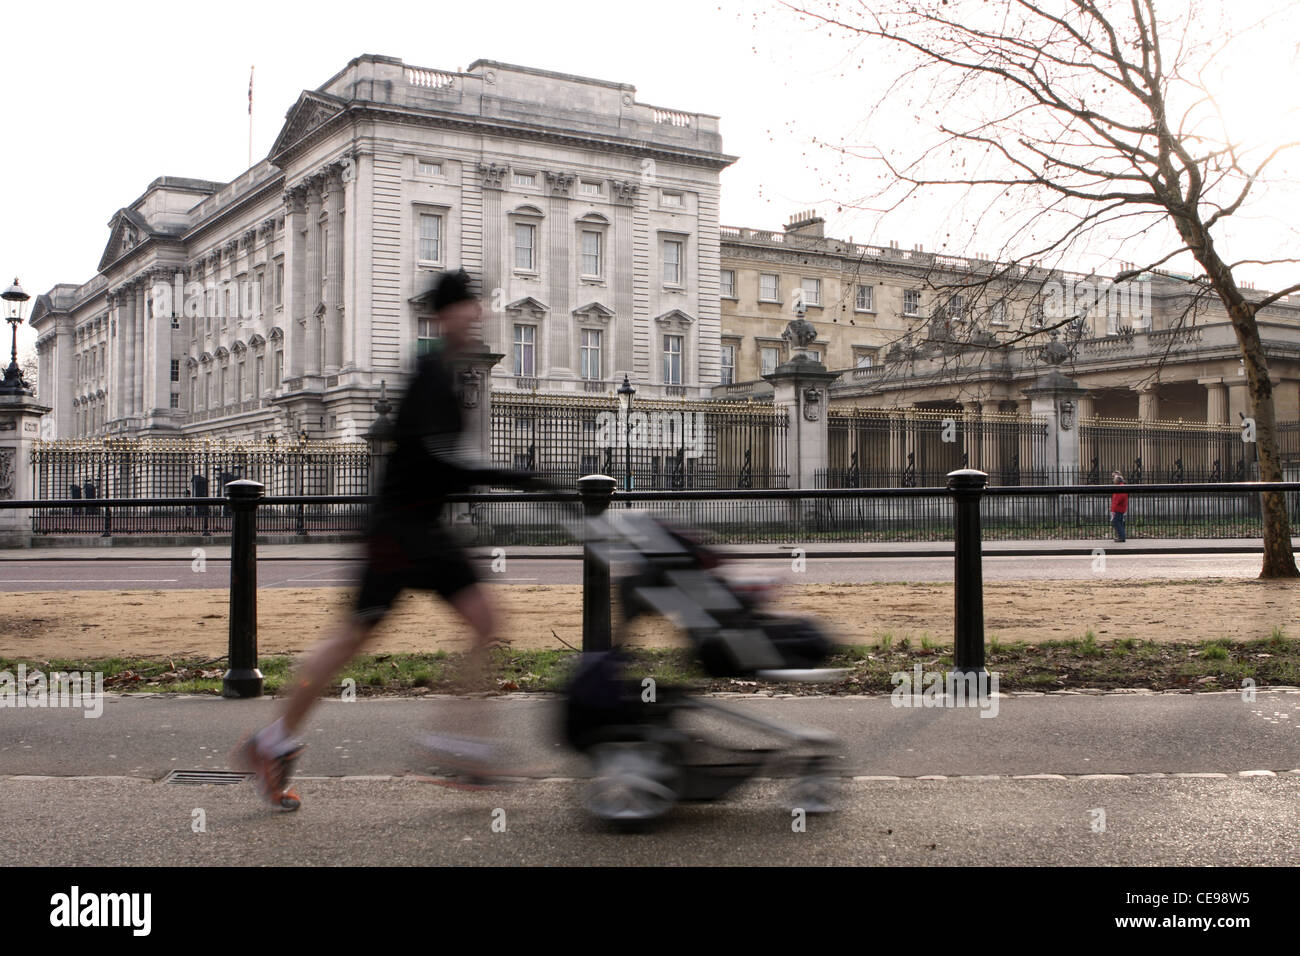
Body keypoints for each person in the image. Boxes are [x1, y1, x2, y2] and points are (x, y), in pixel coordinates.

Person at [233, 269, 542, 810]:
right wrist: (519, 477)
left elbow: (441, 464)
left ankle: (279, 740)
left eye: (478, 306)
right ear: (445, 315)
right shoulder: (430, 374)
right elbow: (440, 462)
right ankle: (450, 746)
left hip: (417, 528)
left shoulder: (441, 372)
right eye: (469, 306)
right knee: (353, 638)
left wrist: (510, 477)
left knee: (461, 626)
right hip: (403, 532)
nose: (479, 314)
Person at [1110, 472, 1128, 543]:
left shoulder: (1120, 487)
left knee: (1116, 521)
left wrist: (1115, 505)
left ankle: (1122, 537)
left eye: (1114, 479)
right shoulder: (1120, 486)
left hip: (1118, 508)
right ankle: (1121, 536)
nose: (1113, 481)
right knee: (1120, 522)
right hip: (1119, 508)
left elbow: (1119, 498)